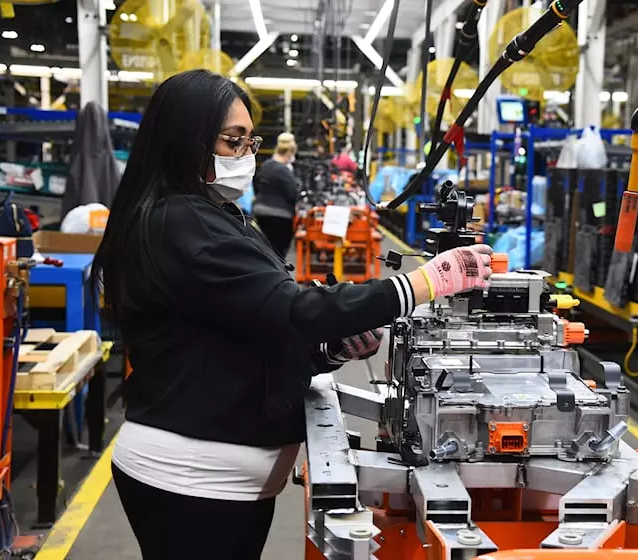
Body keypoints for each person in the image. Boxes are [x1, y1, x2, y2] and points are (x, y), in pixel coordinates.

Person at [91, 69, 494, 560]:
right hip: (192, 480)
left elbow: (246, 324)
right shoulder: (178, 221)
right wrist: (422, 284)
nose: (246, 155)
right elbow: (291, 307)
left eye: (249, 141)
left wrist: (325, 350)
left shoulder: (216, 216)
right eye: (232, 141)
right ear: (185, 140)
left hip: (224, 481)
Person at [252, 132, 298, 257]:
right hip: (279, 214)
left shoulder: (266, 165)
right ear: (289, 152)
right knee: (279, 251)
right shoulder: (283, 170)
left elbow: (257, 185)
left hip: (260, 212)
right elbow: (292, 192)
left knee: (267, 249)